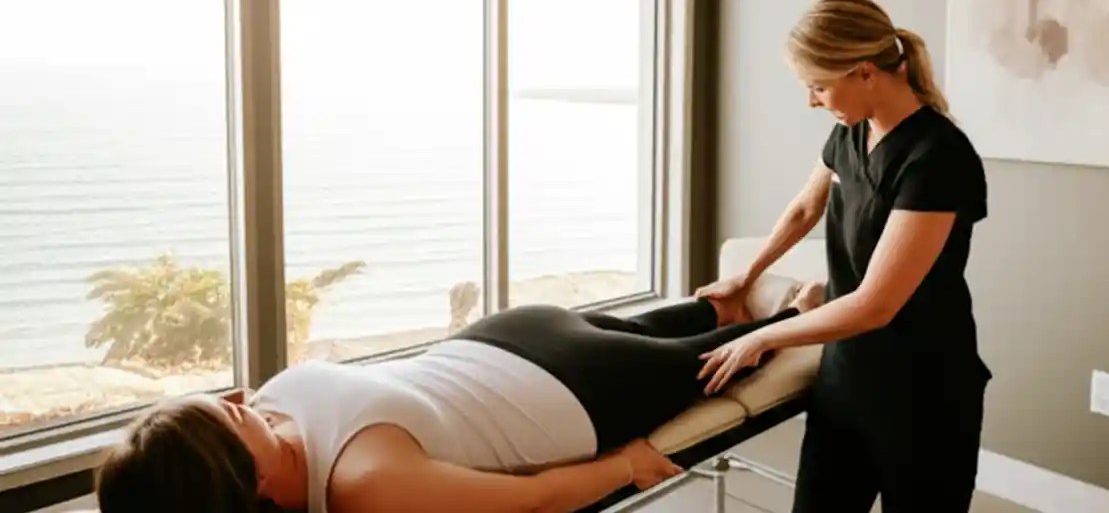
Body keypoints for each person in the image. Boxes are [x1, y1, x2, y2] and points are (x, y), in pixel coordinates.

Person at [94, 282, 827, 513]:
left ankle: (720, 301)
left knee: (653, 331)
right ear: (244, 479)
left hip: (510, 339)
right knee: (708, 358)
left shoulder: (277, 416)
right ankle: (793, 316)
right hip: (578, 389)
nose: (240, 393)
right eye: (229, 412)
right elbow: (532, 502)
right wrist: (627, 464)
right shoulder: (364, 484)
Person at [695, 0, 991, 512]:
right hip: (847, 377)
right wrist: (746, 277)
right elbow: (804, 210)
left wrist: (762, 337)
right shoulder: (849, 133)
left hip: (925, 393)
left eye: (819, 86)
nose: (812, 100)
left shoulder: (937, 159)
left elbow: (876, 304)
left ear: (864, 73)